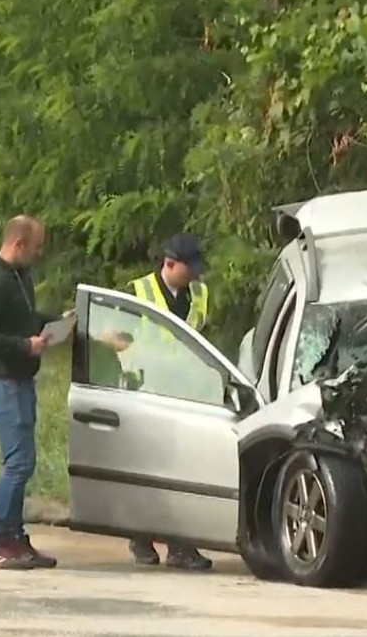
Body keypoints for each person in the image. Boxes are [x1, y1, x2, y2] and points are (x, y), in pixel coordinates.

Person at [0, 215, 62, 570]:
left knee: (25, 461)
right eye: (36, 248)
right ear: (18, 244)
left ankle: (15, 536)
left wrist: (56, 322)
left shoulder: (20, 276)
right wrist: (23, 346)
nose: (39, 254)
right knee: (17, 462)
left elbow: (24, 316)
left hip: (21, 379)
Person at [124, 232, 214, 571]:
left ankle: (181, 547)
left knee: (183, 472)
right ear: (169, 263)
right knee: (147, 471)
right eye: (188, 269)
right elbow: (113, 338)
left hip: (185, 395)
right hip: (145, 395)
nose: (194, 276)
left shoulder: (201, 294)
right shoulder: (138, 291)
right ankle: (140, 536)